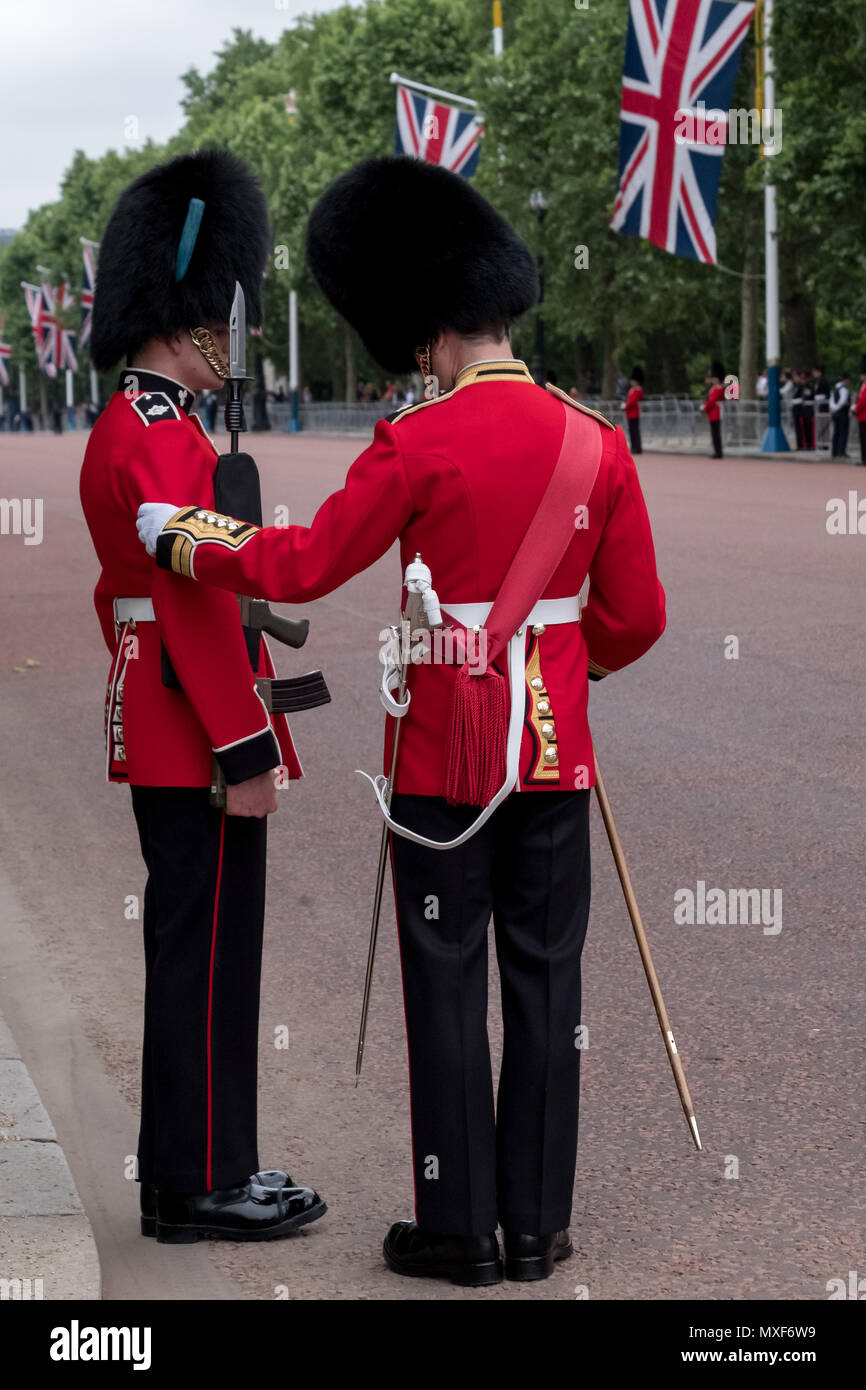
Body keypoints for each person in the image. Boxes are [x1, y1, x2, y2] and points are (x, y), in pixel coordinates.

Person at [136, 155, 666, 1286]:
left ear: (425, 331)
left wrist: (185, 535)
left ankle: (456, 1226)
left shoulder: (415, 442)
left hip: (440, 759)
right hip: (552, 755)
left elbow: (305, 562)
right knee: (546, 986)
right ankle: (535, 1229)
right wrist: (565, 676)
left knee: (442, 984)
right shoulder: (595, 439)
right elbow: (638, 617)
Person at [79, 150, 326, 1245]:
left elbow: (118, 599)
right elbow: (190, 609)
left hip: (162, 712)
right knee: (212, 949)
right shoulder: (161, 434)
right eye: (221, 315)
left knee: (196, 944)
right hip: (196, 725)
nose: (235, 336)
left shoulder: (133, 425)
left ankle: (197, 1165)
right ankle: (204, 1181)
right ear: (187, 322)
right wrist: (246, 751)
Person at [701, 362, 725, 458]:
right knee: (715, 433)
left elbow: (711, 401)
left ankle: (718, 452)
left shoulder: (717, 389)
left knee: (716, 434)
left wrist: (704, 408)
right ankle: (717, 451)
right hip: (714, 412)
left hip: (715, 413)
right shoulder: (716, 388)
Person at [625, 365, 644, 455]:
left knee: (635, 431)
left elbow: (632, 401)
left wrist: (625, 406)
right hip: (630, 413)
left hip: (634, 413)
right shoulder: (632, 390)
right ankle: (634, 447)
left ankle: (637, 447)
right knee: (632, 431)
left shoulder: (637, 390)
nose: (631, 382)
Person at [830, 374, 851, 458]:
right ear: (845, 380)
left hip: (835, 413)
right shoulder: (844, 389)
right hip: (842, 412)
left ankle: (834, 452)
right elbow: (843, 401)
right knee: (843, 433)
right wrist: (837, 408)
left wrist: (833, 408)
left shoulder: (835, 388)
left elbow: (831, 400)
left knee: (836, 433)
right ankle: (841, 452)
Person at [853, 356, 866, 466]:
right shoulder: (863, 385)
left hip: (864, 415)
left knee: (864, 439)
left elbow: (863, 402)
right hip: (862, 415)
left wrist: (855, 410)